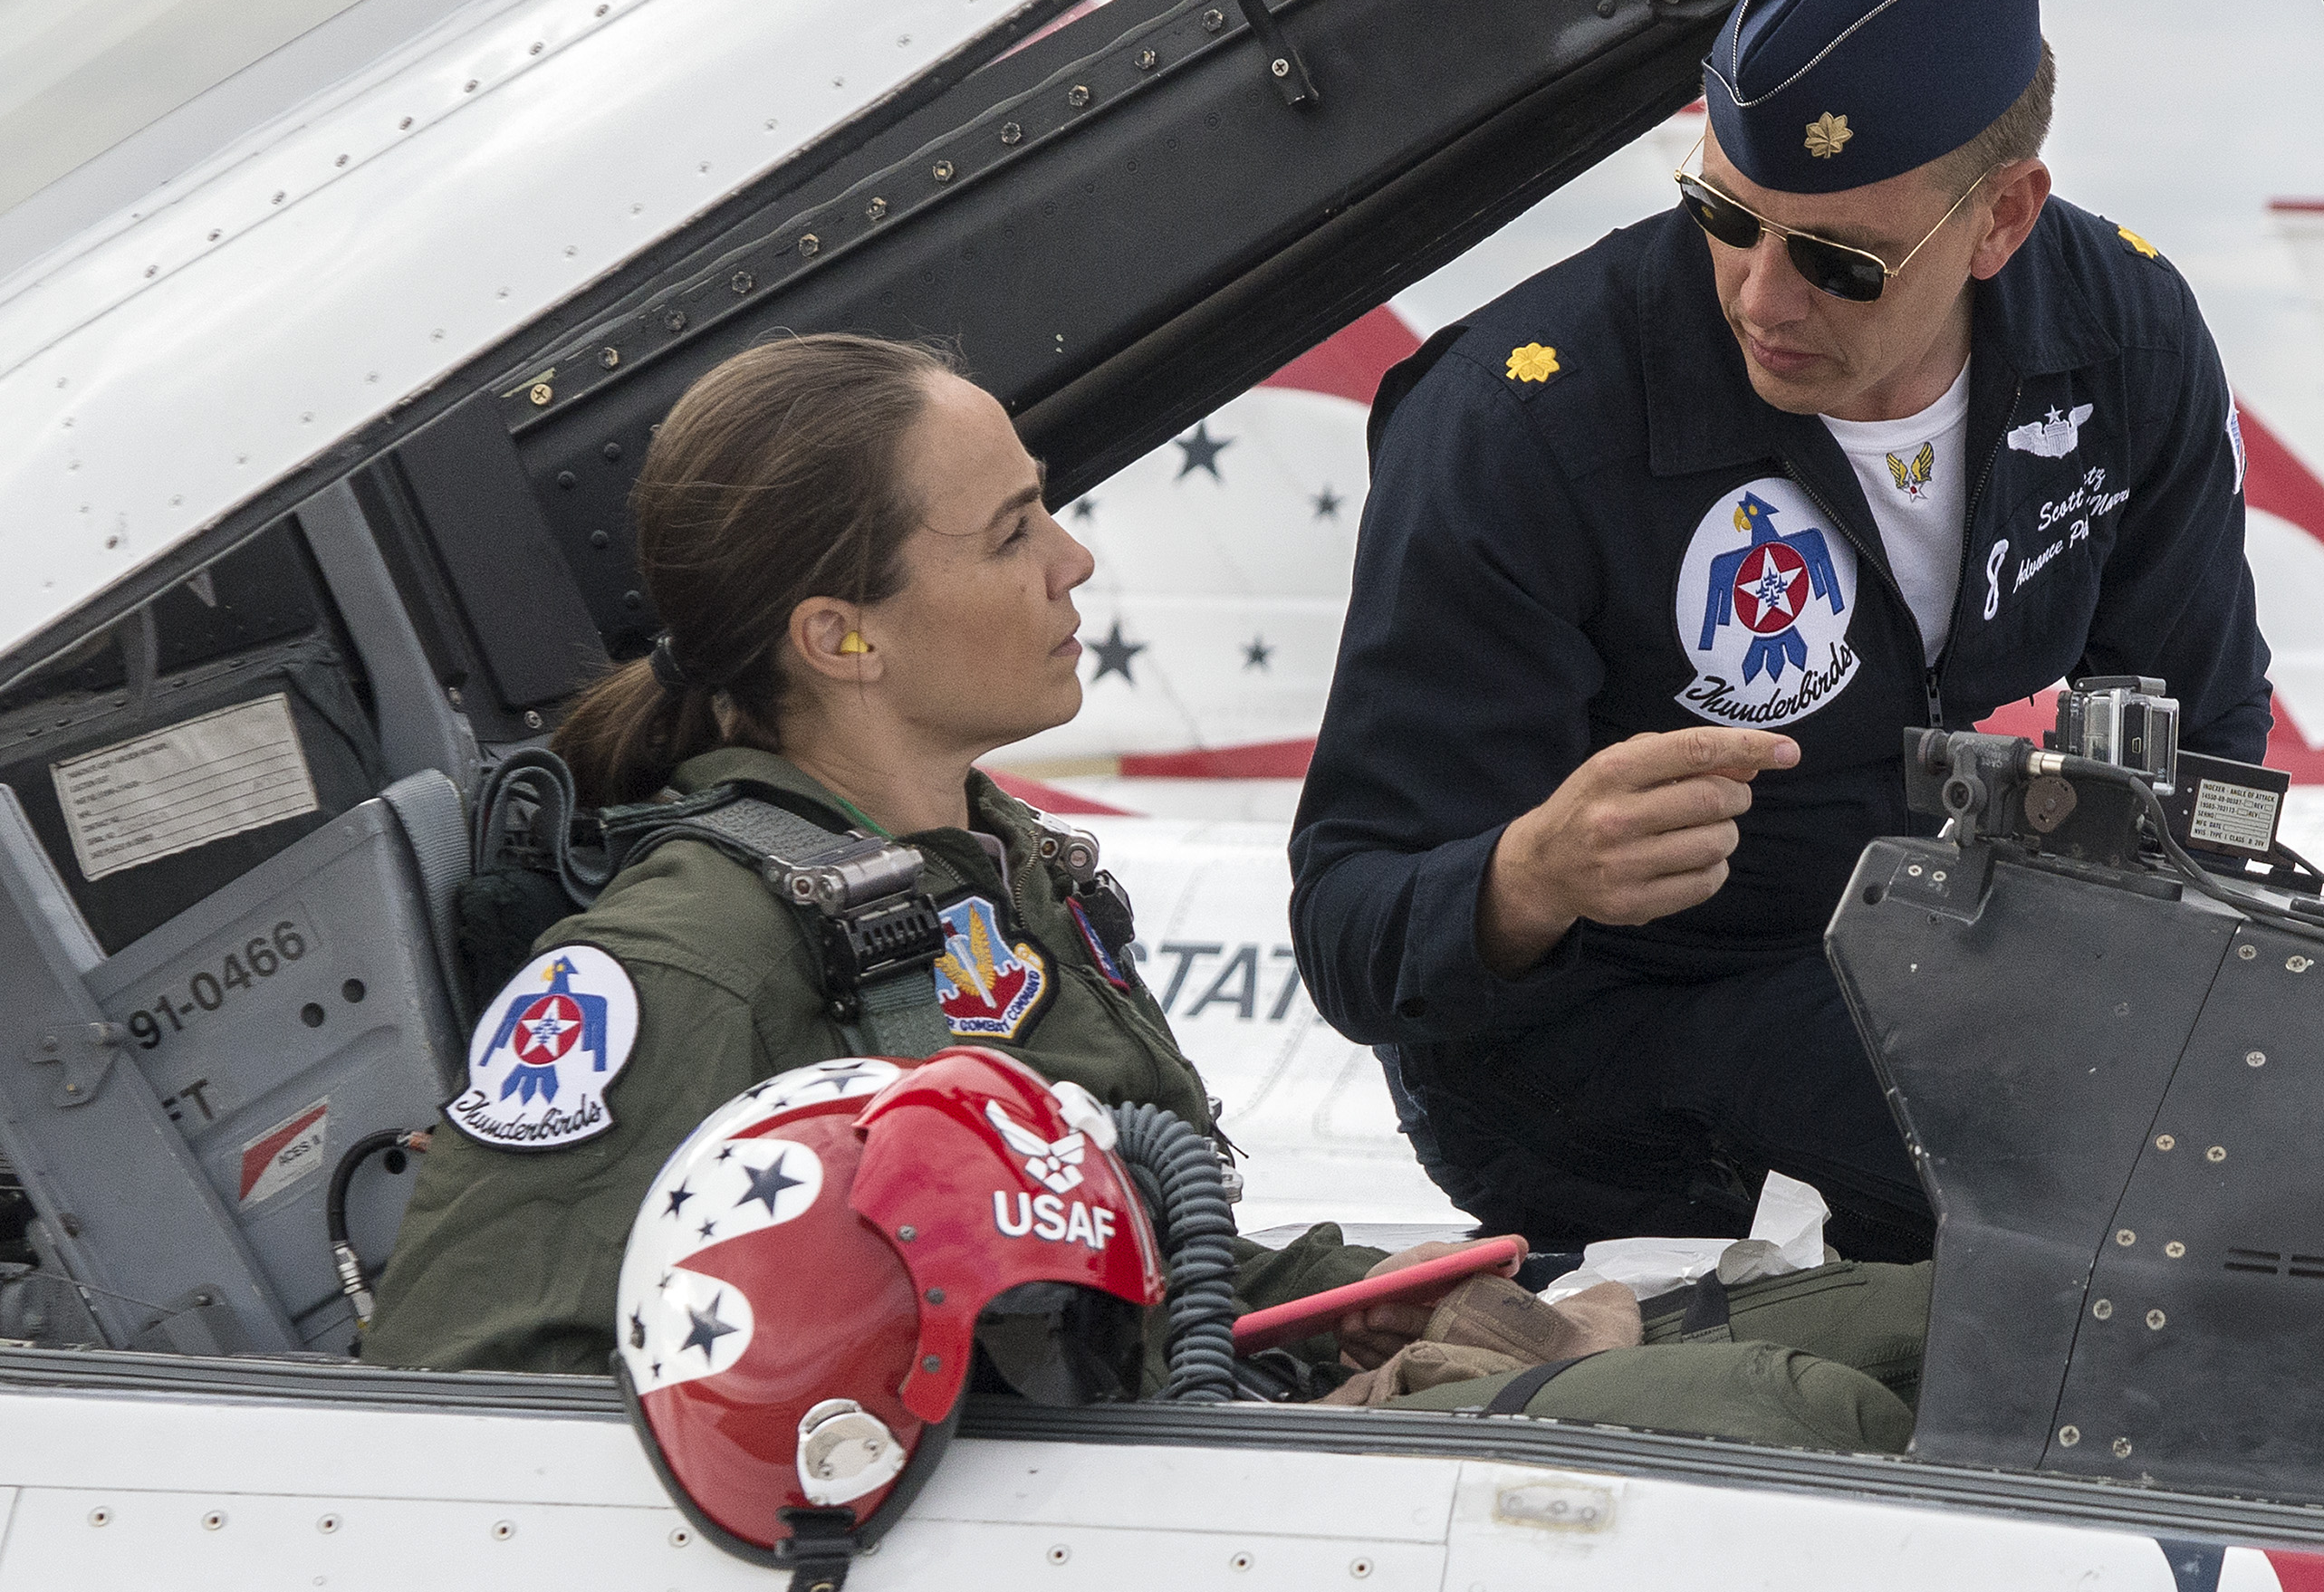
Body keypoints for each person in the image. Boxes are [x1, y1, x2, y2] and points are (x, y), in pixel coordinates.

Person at [366, 334, 1928, 1453]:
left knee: (1943, 1327)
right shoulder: (689, 957)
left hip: (1202, 1400)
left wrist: (1365, 1295)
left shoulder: (993, 869)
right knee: (1807, 1420)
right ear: (844, 636)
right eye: (1012, 532)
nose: (1075, 563)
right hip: (1083, 1486)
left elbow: (1123, 1249)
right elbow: (446, 1401)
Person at [1288, 0, 2272, 1259]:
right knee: (2097, 1156)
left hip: (1927, 984)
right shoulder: (1522, 425)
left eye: (1837, 260)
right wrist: (1532, 874)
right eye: (1722, 216)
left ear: (2003, 219)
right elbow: (1349, 920)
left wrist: (2209, 974)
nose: (1760, 297)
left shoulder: (2121, 335)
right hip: (1601, 1056)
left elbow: (2210, 748)